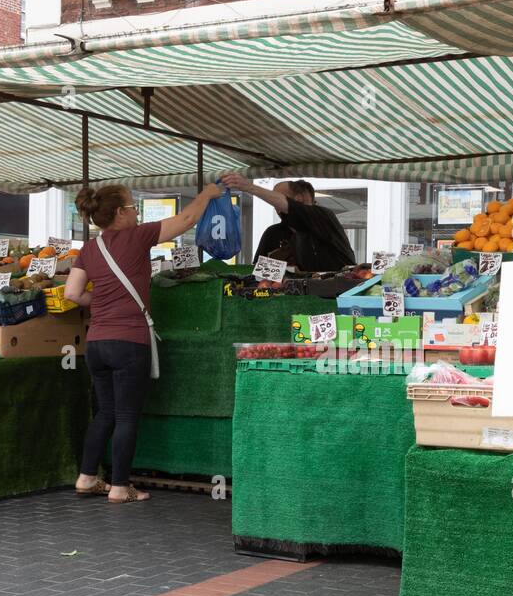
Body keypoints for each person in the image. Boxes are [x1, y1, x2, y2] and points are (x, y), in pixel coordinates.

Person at [64, 182, 221, 503]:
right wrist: (206, 195)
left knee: (105, 413)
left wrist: (104, 299)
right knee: (125, 417)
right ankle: (120, 487)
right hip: (128, 341)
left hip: (96, 343)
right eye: (133, 206)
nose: (137, 211)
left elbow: (72, 294)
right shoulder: (137, 237)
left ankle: (86, 477)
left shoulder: (89, 249)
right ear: (121, 213)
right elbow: (186, 220)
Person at [221, 174, 355, 272]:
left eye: (276, 200)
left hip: (333, 295)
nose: (276, 207)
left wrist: (248, 187)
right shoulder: (273, 233)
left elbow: (287, 205)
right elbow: (259, 269)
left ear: (298, 199)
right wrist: (286, 271)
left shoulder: (323, 217)